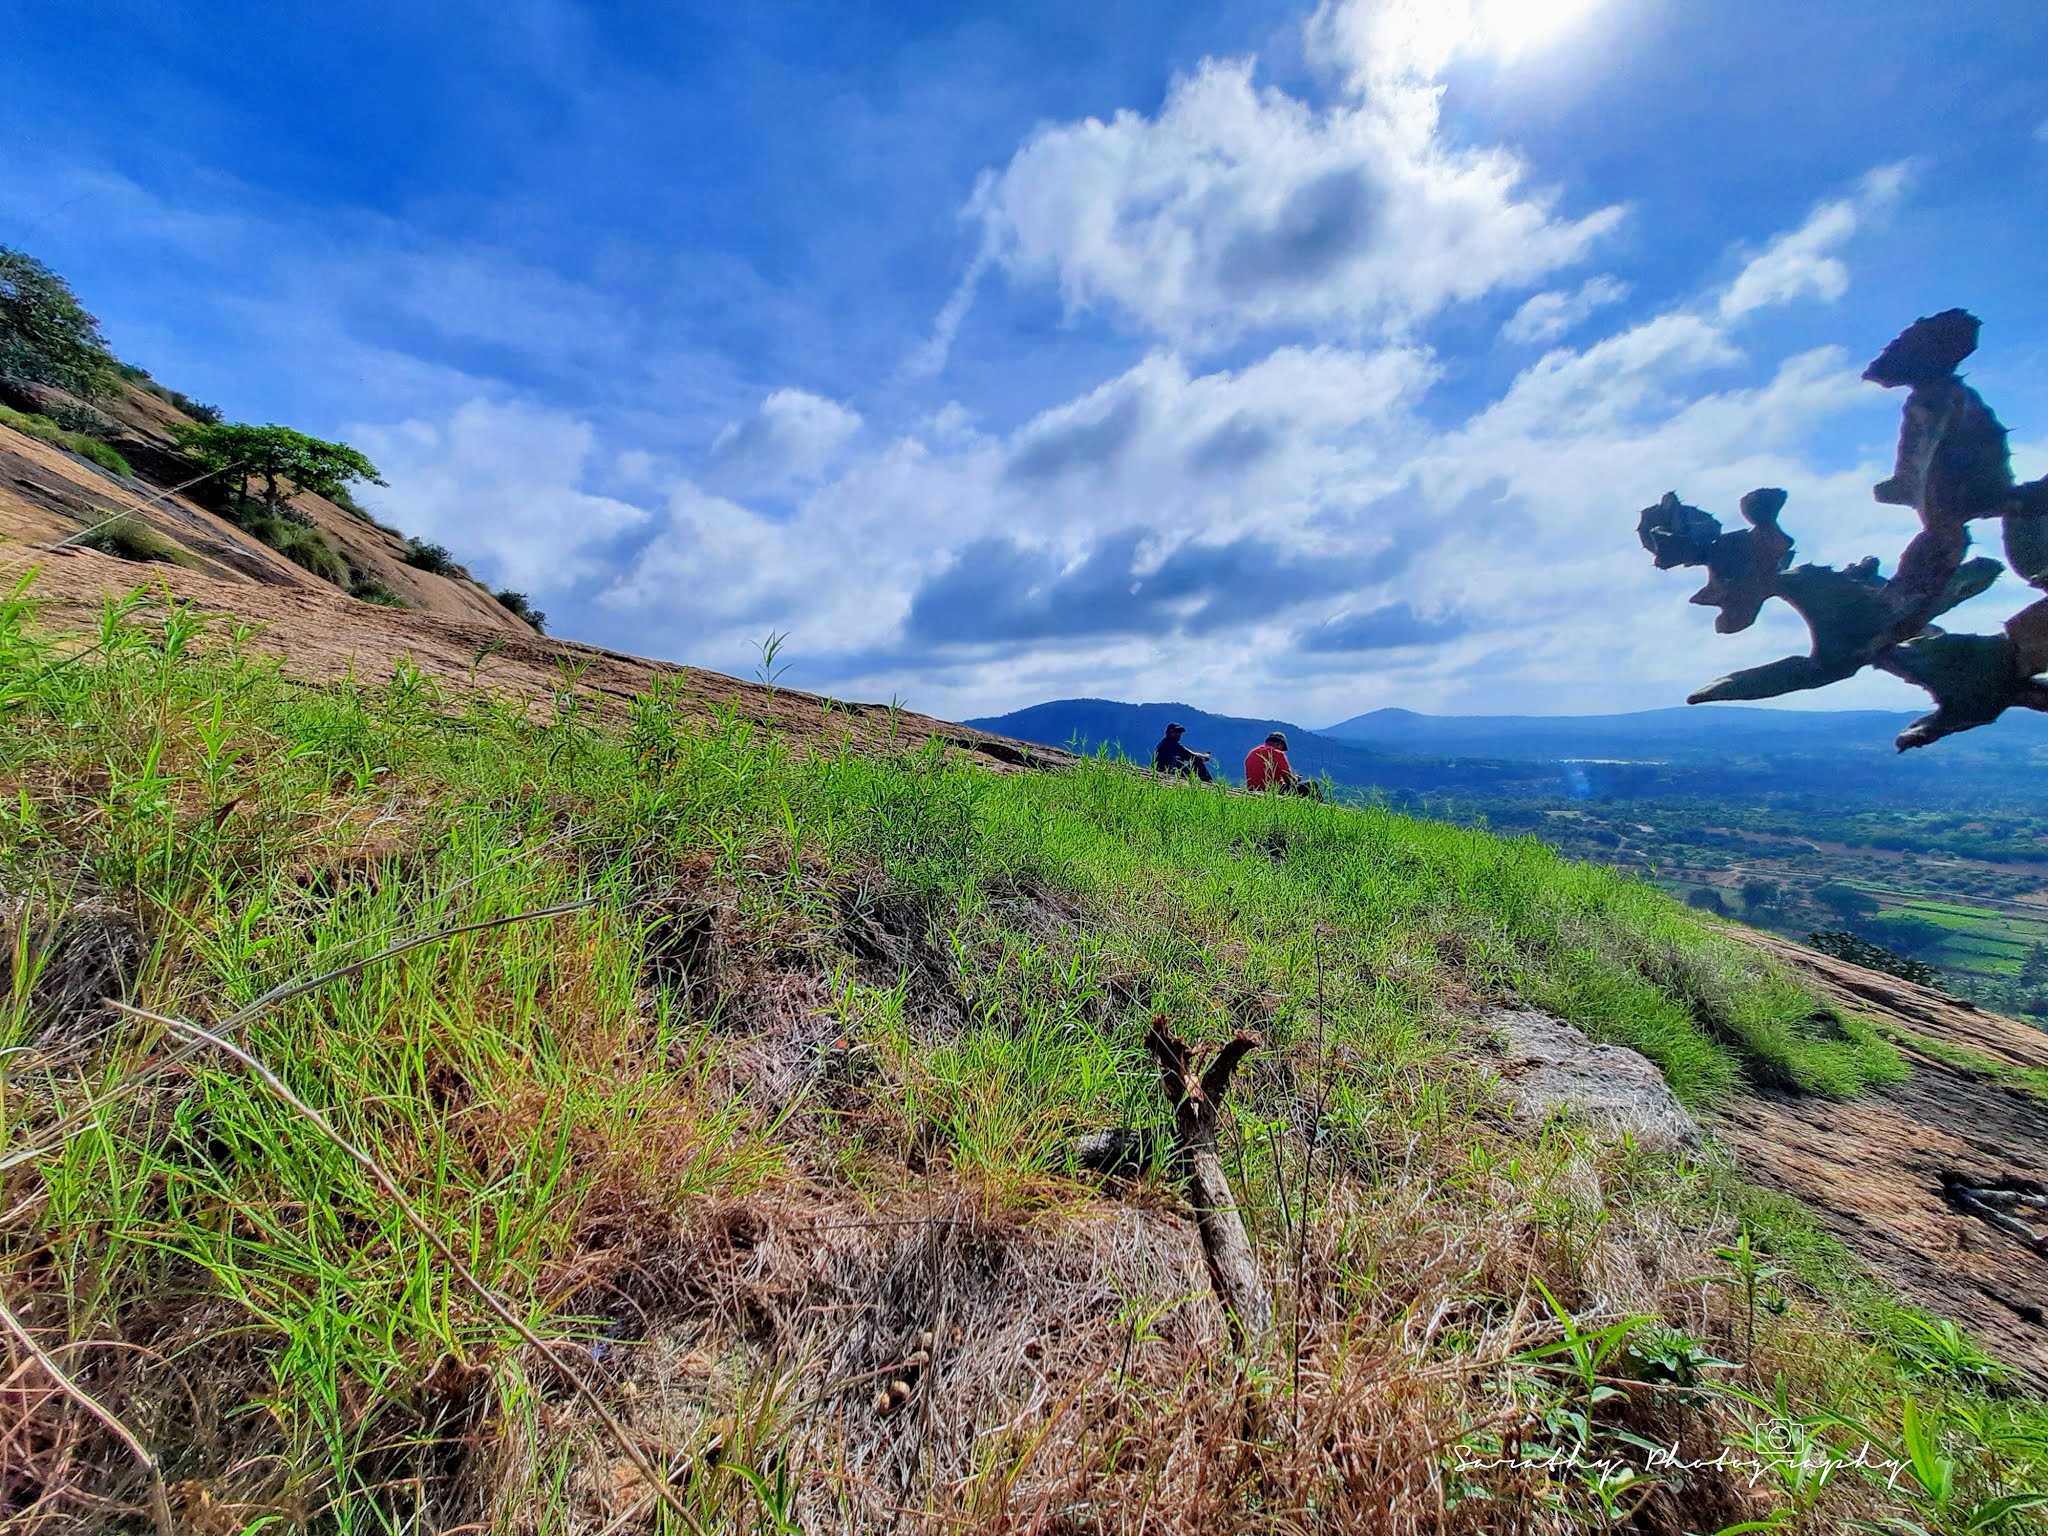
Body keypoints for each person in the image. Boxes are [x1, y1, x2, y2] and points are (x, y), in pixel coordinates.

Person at [1244, 731, 1321, 799]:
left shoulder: (1252, 753)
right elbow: (1290, 782)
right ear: (1280, 744)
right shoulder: (1277, 753)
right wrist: (1297, 779)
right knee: (1311, 784)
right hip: (1273, 790)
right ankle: (1319, 809)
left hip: (1253, 790)